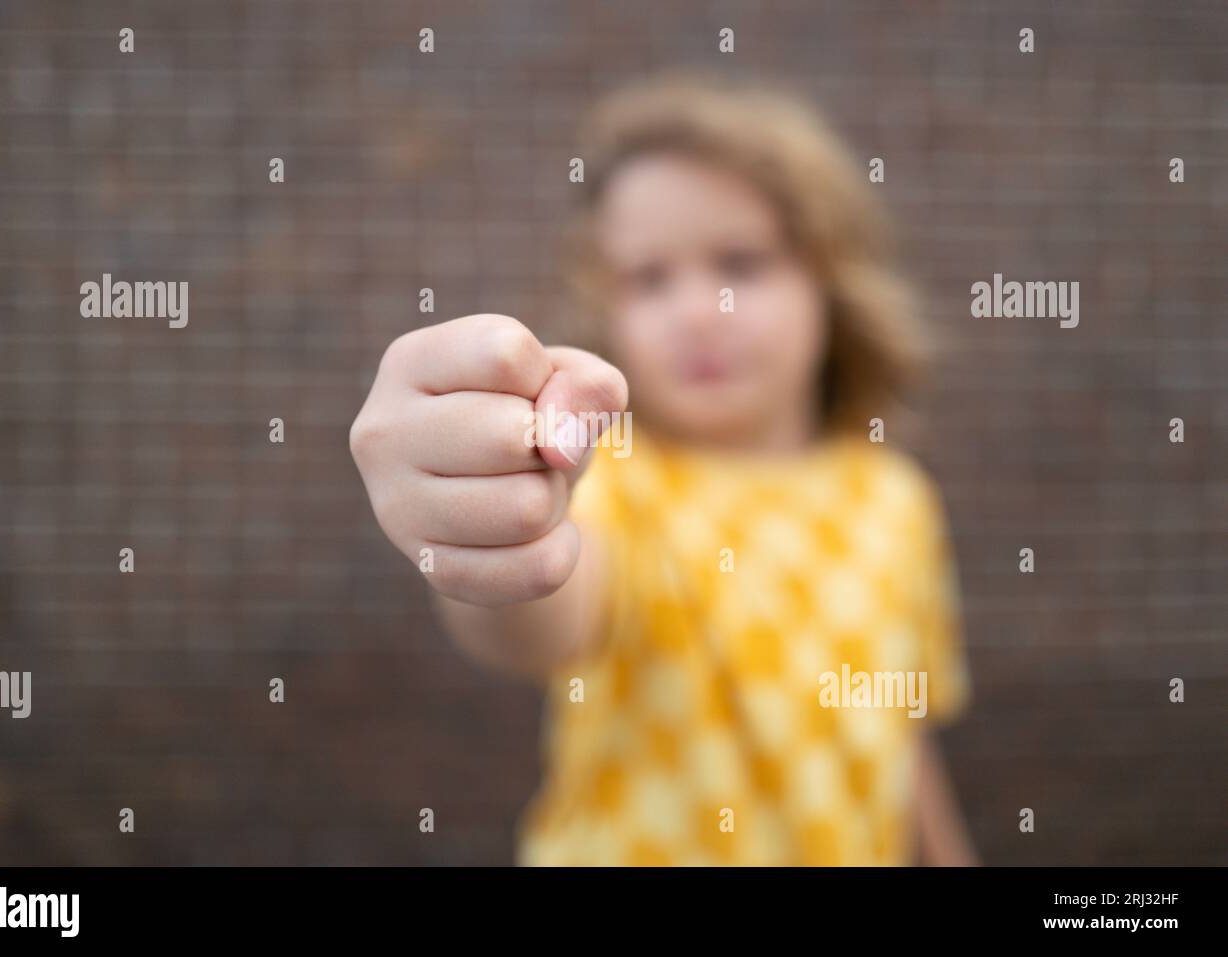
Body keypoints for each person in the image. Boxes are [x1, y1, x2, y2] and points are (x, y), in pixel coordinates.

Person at [349, 76, 977, 866]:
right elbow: (541, 613)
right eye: (648, 278)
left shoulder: (898, 500)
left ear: (833, 284)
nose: (694, 311)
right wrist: (490, 535)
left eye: (741, 264)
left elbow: (901, 727)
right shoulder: (617, 478)